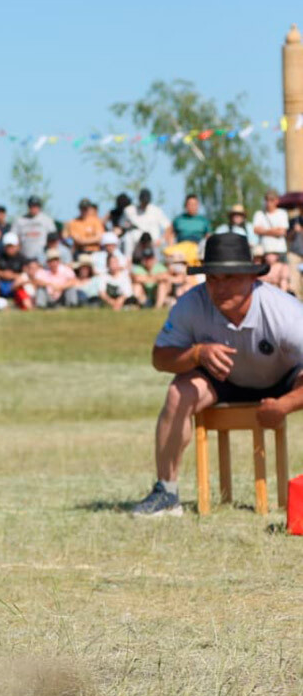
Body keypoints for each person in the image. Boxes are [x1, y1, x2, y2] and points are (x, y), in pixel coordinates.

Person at [133, 233, 303, 517]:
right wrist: (196, 354)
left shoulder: (284, 311)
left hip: (284, 380)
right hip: (223, 379)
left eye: (230, 278)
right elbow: (160, 357)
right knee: (178, 392)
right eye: (213, 279)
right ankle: (166, 492)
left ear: (252, 278)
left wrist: (285, 405)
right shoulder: (191, 305)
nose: (220, 288)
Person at [124, 188, 172, 253]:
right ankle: (128, 260)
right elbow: (124, 224)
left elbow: (168, 227)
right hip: (136, 243)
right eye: (143, 201)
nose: (144, 203)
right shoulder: (130, 210)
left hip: (153, 242)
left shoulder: (156, 210)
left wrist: (161, 240)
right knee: (128, 237)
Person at [0, 232, 32, 309]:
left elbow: (27, 274)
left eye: (12, 246)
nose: (10, 248)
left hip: (16, 286)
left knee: (22, 280)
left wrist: (13, 276)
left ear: (16, 246)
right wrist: (2, 273)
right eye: (8, 246)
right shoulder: (0, 257)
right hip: (1, 284)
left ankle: (23, 303)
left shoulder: (21, 258)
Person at [13, 196, 57, 263]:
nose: (34, 208)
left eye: (36, 206)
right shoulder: (20, 220)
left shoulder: (47, 220)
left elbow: (53, 237)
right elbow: (13, 237)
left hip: (42, 257)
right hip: (24, 257)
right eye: (32, 206)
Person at [252, 190, 289, 258]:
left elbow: (282, 232)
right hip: (263, 251)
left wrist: (264, 231)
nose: (269, 202)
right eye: (267, 199)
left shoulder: (282, 213)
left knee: (284, 268)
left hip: (280, 250)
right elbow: (256, 230)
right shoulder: (259, 214)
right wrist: (274, 230)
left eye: (272, 200)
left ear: (277, 201)